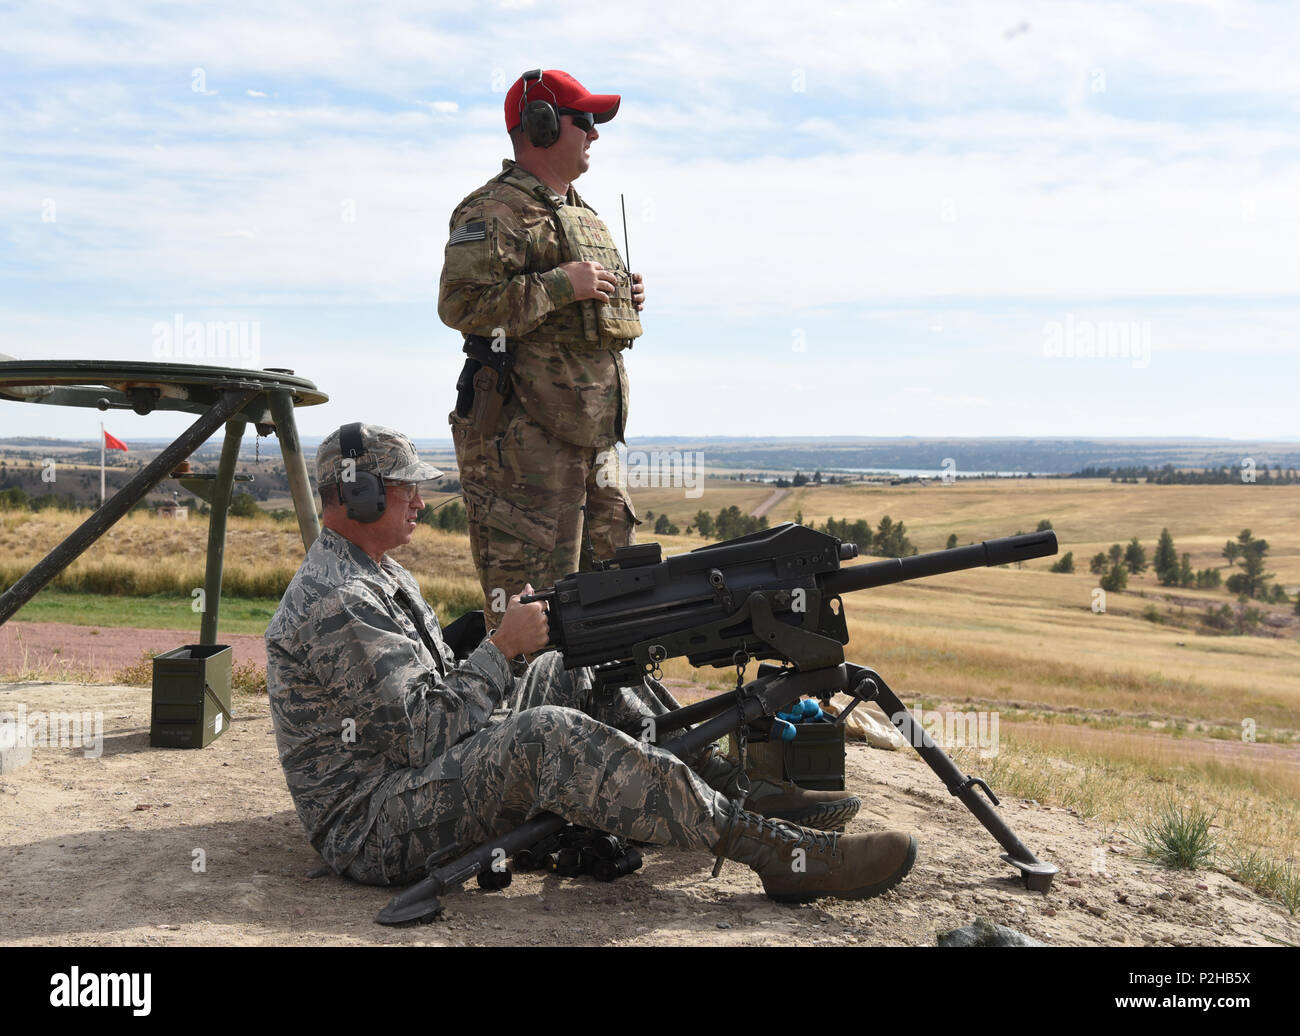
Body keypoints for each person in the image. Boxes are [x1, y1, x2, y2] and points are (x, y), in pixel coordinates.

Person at [266, 424, 916, 902]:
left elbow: (433, 704)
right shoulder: (338, 600)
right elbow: (422, 736)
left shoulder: (377, 573)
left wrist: (529, 642)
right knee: (541, 734)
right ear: (361, 496)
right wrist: (501, 648)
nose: (421, 503)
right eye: (408, 490)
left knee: (573, 666)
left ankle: (731, 791)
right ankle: (776, 852)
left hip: (413, 786)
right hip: (378, 827)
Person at [438, 69, 644, 629]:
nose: (595, 134)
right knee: (534, 615)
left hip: (592, 439)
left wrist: (617, 297)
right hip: (525, 450)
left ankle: (600, 713)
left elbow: (575, 316)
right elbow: (462, 305)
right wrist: (562, 286)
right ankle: (524, 717)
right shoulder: (492, 212)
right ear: (542, 124)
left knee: (618, 599)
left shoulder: (581, 214)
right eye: (587, 121)